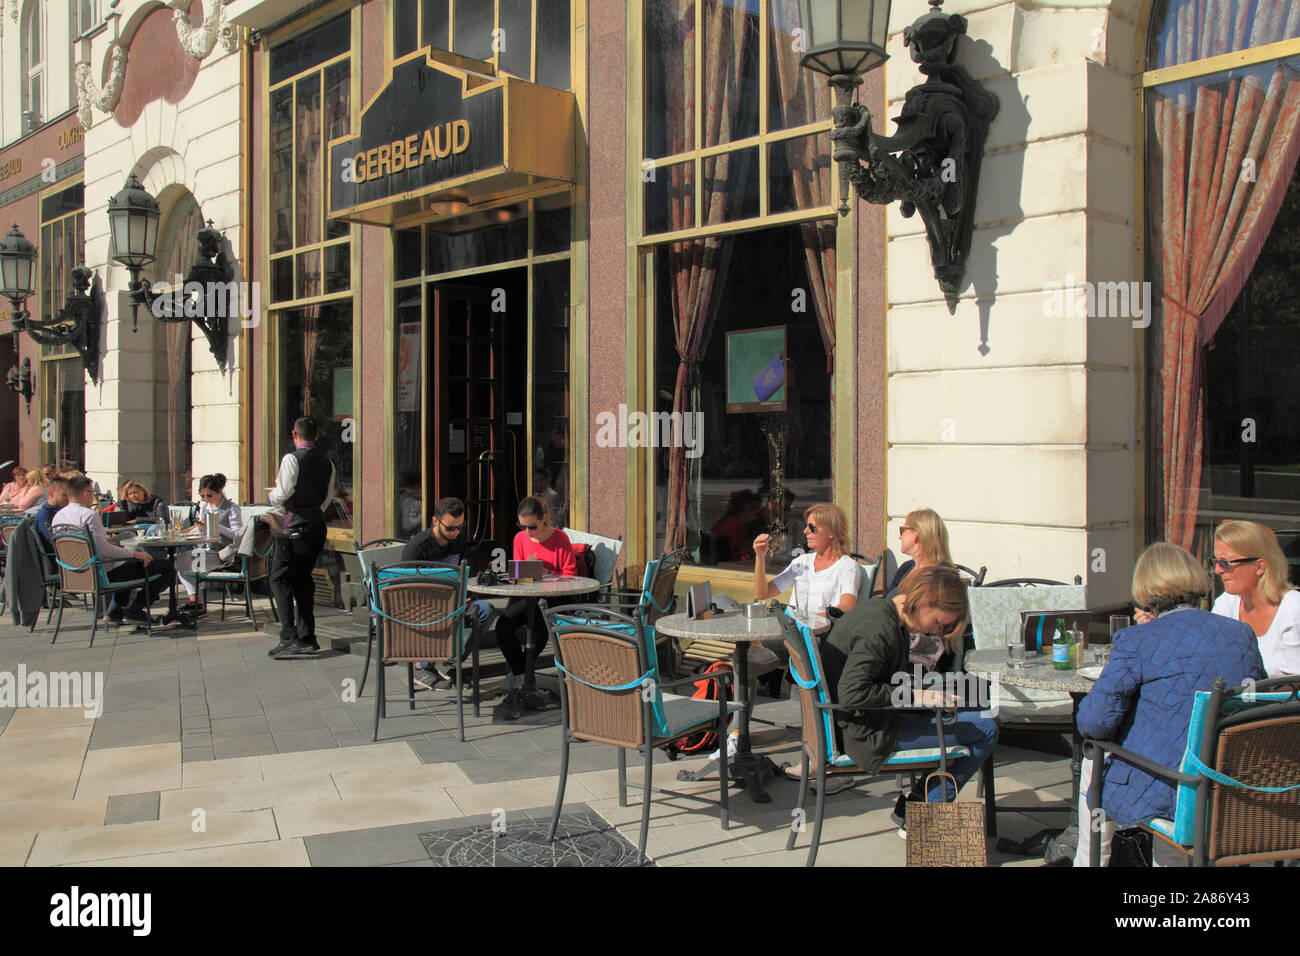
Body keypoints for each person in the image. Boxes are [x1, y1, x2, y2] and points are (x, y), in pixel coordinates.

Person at [1072, 542, 1265, 867]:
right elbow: (1253, 708)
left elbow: (1094, 723)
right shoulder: (1241, 635)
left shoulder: (1137, 640)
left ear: (1145, 588)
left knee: (1094, 755)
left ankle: (1091, 861)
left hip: (1169, 789)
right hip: (1229, 787)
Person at [819, 565, 997, 832]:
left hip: (860, 723)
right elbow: (853, 692)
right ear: (926, 602)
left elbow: (875, 679)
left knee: (972, 708)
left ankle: (916, 804)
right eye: (937, 622)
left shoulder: (880, 612)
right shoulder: (881, 629)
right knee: (986, 728)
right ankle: (921, 812)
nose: (933, 630)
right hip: (866, 733)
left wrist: (922, 695)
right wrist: (915, 695)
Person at [399, 497, 494, 689]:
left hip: (454, 602)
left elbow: (460, 573)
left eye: (460, 526)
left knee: (486, 610)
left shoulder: (458, 539)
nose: (455, 532)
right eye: (450, 528)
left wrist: (463, 594)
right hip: (423, 606)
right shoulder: (417, 547)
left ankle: (452, 661)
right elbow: (404, 590)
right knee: (448, 616)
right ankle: (422, 665)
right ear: (435, 521)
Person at [52, 476, 171, 625]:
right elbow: (102, 548)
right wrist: (134, 553)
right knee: (166, 567)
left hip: (76, 572)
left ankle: (115, 612)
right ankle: (135, 609)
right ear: (85, 494)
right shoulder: (89, 515)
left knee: (126, 563)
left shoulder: (58, 517)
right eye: (92, 492)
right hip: (102, 574)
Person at [267, 417, 338, 659]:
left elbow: (283, 492)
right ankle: (308, 637)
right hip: (317, 525)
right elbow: (328, 497)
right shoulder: (328, 462)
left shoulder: (291, 459)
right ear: (316, 435)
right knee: (303, 580)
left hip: (296, 524)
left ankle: (289, 637)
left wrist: (272, 497)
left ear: (294, 434)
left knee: (279, 579)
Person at [494, 495, 575, 690]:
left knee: (538, 634)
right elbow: (517, 570)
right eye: (523, 526)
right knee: (503, 626)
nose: (527, 531)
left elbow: (570, 574)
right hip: (526, 593)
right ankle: (521, 672)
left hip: (552, 597)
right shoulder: (520, 538)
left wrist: (548, 574)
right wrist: (517, 575)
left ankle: (520, 676)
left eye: (532, 526)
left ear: (544, 518)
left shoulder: (559, 538)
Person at [1209, 520, 1300, 677]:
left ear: (1260, 566)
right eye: (1215, 561)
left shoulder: (1293, 608)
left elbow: (1293, 684)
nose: (1217, 571)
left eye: (1225, 563)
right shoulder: (1226, 603)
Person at [752, 502, 858, 617]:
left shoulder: (847, 566)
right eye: (806, 526)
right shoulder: (802, 563)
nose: (805, 531)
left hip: (820, 632)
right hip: (795, 630)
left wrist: (810, 620)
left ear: (832, 532)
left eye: (812, 527)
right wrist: (760, 557)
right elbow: (762, 593)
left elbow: (847, 607)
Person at [176, 473, 243, 610]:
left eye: (209, 495)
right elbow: (203, 533)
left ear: (219, 492)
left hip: (224, 554)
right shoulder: (205, 508)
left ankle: (196, 602)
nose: (206, 499)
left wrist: (216, 526)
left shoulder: (231, 508)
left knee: (185, 562)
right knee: (181, 560)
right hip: (206, 550)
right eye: (202, 496)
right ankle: (195, 600)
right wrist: (201, 529)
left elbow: (238, 535)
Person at [886, 508, 953, 597]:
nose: (900, 537)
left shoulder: (942, 576)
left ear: (916, 534)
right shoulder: (906, 567)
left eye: (902, 530)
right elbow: (886, 602)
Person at [710, 489, 762, 562]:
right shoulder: (734, 524)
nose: (757, 512)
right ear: (740, 508)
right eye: (752, 508)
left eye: (758, 508)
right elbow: (736, 554)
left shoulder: (730, 522)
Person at [33, 476, 70, 553]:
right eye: (64, 495)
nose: (68, 499)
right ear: (51, 493)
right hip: (58, 560)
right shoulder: (44, 515)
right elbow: (51, 545)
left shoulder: (61, 512)